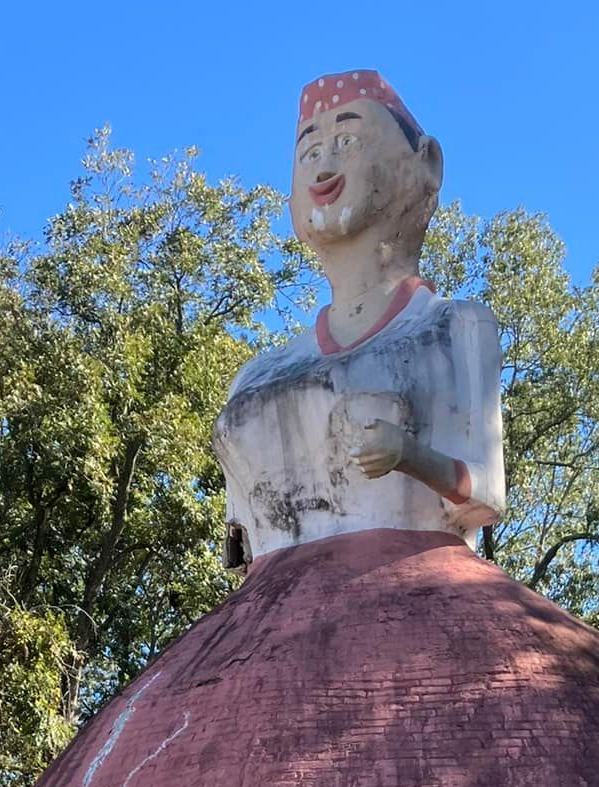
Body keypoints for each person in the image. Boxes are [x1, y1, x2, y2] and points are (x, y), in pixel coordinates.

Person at [213, 70, 506, 564]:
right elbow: (238, 551)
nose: (323, 167)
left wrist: (411, 457)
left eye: (347, 140)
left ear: (426, 164)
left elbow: (486, 495)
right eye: (308, 151)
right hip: (264, 610)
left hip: (408, 580)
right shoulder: (253, 376)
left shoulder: (457, 328)